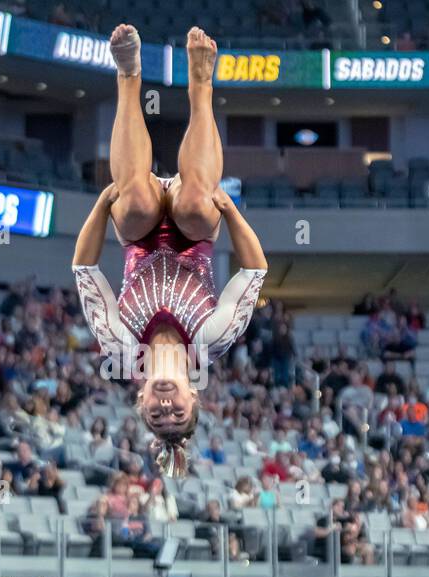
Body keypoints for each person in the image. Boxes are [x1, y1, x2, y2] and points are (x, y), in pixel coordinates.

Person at [72, 25, 267, 476]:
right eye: (176, 412)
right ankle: (201, 86)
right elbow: (254, 272)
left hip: (138, 231)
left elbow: (84, 268)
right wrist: (230, 212)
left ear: (138, 399)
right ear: (194, 395)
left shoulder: (121, 348)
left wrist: (103, 206)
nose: (165, 405)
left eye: (156, 414)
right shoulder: (211, 340)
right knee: (200, 204)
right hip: (191, 226)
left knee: (135, 201)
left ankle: (128, 76)